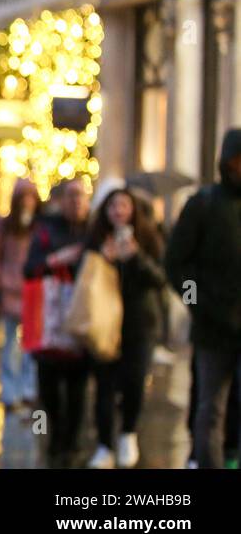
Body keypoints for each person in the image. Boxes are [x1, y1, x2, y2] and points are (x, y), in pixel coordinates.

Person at [167, 128, 241, 469]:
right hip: (213, 327)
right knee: (211, 407)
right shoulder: (204, 204)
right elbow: (177, 264)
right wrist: (196, 302)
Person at [84, 185, 166, 469]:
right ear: (105, 211)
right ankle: (105, 444)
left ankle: (128, 433)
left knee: (134, 383)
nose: (119, 211)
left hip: (139, 324)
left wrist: (135, 257)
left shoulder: (147, 238)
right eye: (113, 206)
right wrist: (102, 259)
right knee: (104, 386)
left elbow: (161, 278)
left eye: (124, 205)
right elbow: (84, 276)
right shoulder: (95, 238)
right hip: (103, 323)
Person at [24, 178, 91, 469]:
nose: (76, 201)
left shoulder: (94, 233)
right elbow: (29, 269)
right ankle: (52, 437)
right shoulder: (46, 230)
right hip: (49, 321)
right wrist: (56, 259)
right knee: (48, 388)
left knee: (78, 389)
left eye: (81, 196)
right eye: (71, 196)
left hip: (82, 319)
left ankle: (71, 444)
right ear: (61, 200)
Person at [0, 180, 38, 410]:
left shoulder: (39, 226)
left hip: (33, 290)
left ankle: (28, 388)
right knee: (10, 344)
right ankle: (10, 390)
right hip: (9, 290)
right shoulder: (3, 225)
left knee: (31, 344)